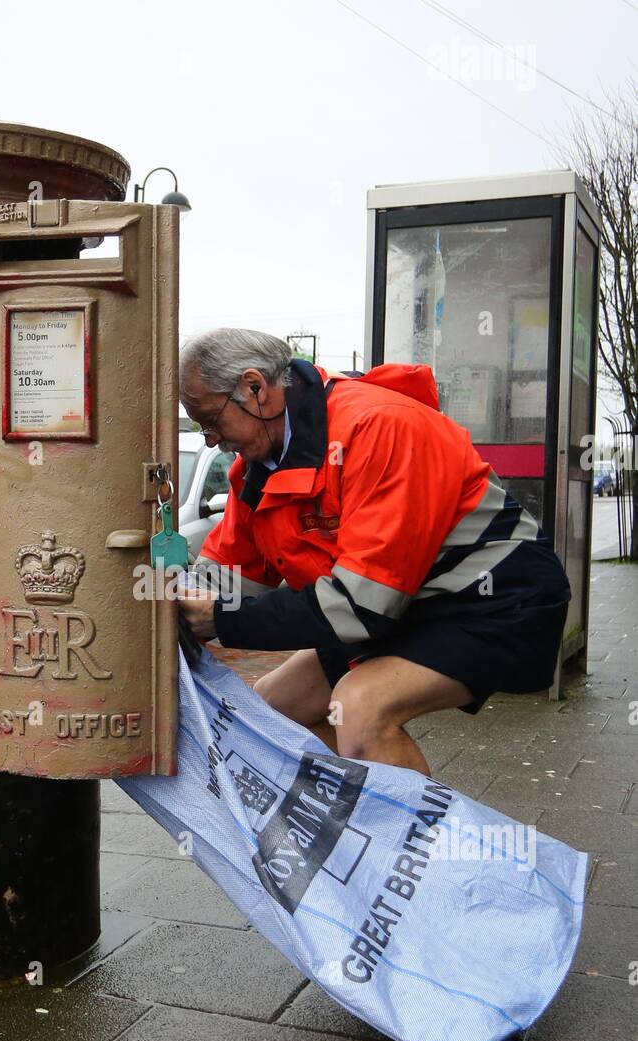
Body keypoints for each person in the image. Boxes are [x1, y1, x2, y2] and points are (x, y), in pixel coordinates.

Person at [176, 327, 571, 772]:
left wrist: (222, 618)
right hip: (401, 606)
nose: (209, 439)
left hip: (497, 602)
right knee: (271, 709)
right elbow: (226, 580)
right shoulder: (255, 470)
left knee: (361, 709)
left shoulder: (381, 427)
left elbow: (360, 607)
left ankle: (422, 841)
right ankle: (352, 826)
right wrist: (175, 601)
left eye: (210, 420)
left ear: (254, 388)